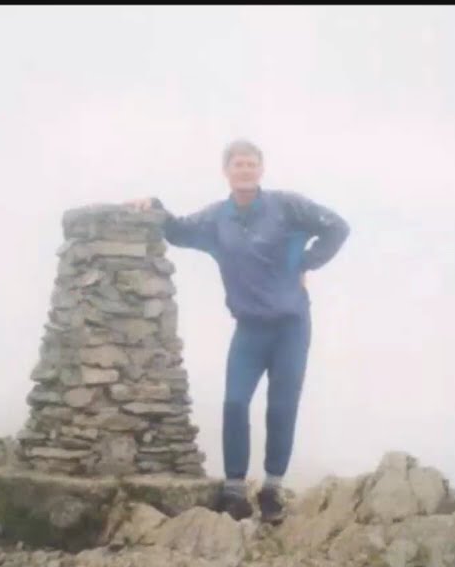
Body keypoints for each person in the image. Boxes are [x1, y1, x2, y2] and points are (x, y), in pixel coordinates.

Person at [126, 139, 350, 523]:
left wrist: (307, 263)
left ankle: (272, 491)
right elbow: (179, 231)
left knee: (281, 406)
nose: (245, 170)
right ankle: (234, 492)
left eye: (251, 164)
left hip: (291, 326)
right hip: (249, 328)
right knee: (234, 403)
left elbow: (337, 228)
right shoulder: (217, 219)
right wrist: (155, 206)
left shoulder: (287, 206)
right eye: (238, 164)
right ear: (226, 171)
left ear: (261, 169)